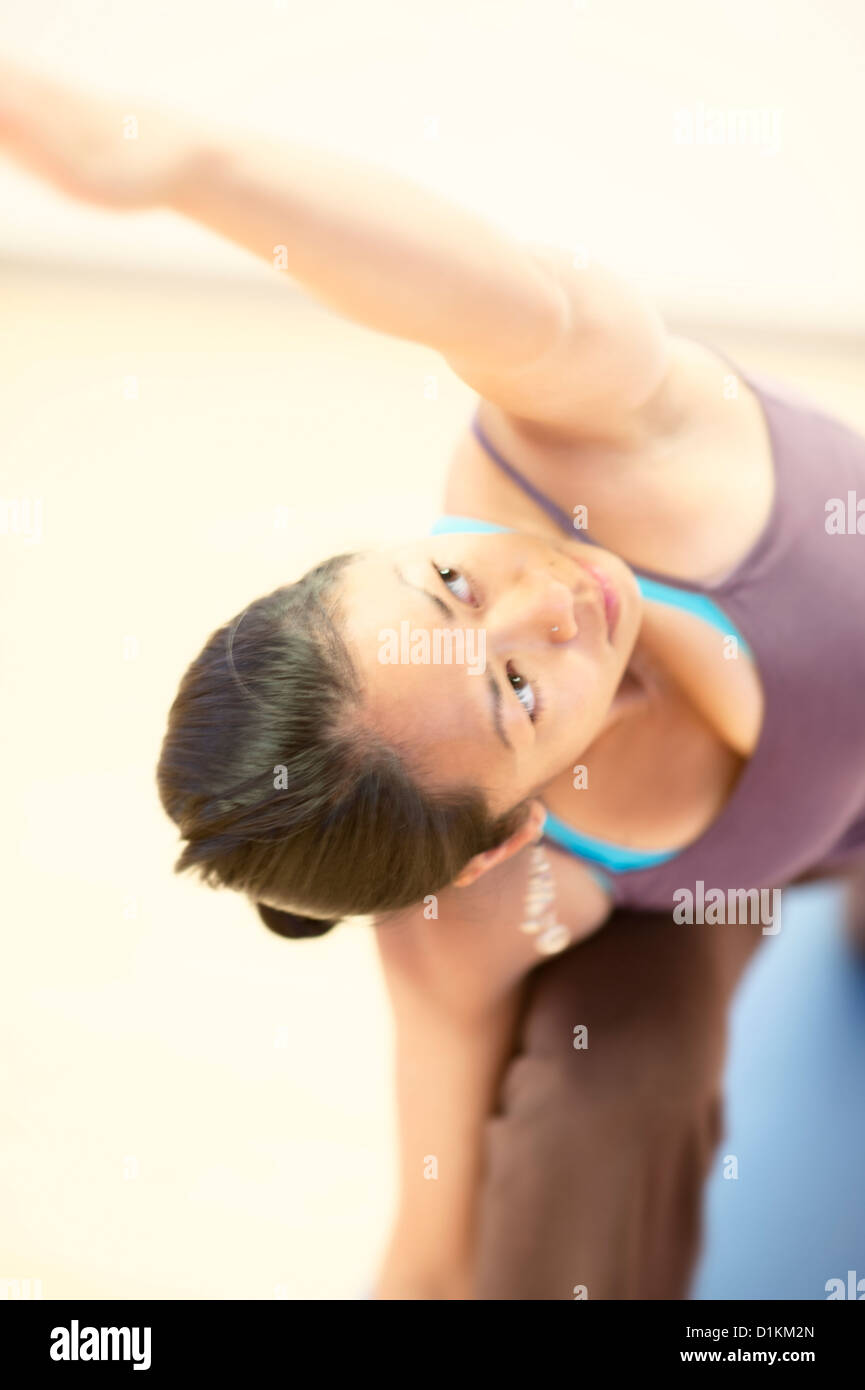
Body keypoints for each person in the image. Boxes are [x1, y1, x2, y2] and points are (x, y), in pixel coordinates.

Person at [5, 58, 864, 1299]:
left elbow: (487, 295)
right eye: (517, 694)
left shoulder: (595, 429)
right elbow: (432, 1241)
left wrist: (179, 167)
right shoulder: (481, 911)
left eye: (448, 588)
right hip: (715, 891)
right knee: (590, 1110)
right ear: (496, 840)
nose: (553, 602)